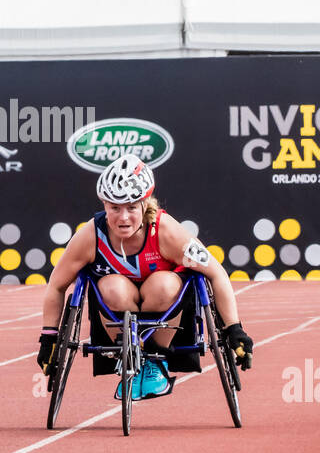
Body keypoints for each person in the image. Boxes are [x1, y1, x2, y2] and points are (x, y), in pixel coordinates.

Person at [36, 152, 254, 399]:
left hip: (167, 308)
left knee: (163, 283)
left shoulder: (167, 232)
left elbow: (217, 274)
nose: (123, 217)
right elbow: (56, 286)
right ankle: (129, 357)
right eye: (114, 208)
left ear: (145, 203)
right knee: (111, 286)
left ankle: (156, 360)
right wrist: (49, 338)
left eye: (131, 207)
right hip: (115, 309)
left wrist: (234, 329)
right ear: (104, 205)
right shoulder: (90, 236)